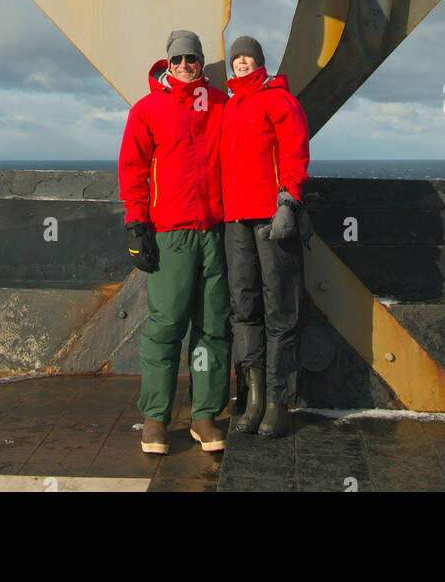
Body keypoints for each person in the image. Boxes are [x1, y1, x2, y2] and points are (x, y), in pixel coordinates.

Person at [118, 29, 231, 456]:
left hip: (215, 231)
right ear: (167, 63)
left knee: (213, 326)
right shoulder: (148, 110)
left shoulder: (219, 105)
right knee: (166, 327)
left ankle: (205, 415)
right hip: (171, 234)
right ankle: (155, 418)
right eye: (179, 58)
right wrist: (136, 224)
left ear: (202, 62)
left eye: (193, 58)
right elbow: (134, 169)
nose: (186, 65)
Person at [221, 35, 311, 438]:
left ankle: (278, 401)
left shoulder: (279, 99)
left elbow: (295, 152)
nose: (241, 62)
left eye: (248, 57)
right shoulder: (228, 105)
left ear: (259, 61)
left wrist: (288, 202)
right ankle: (252, 398)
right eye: (236, 58)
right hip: (235, 219)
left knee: (280, 311)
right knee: (244, 308)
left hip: (271, 218)